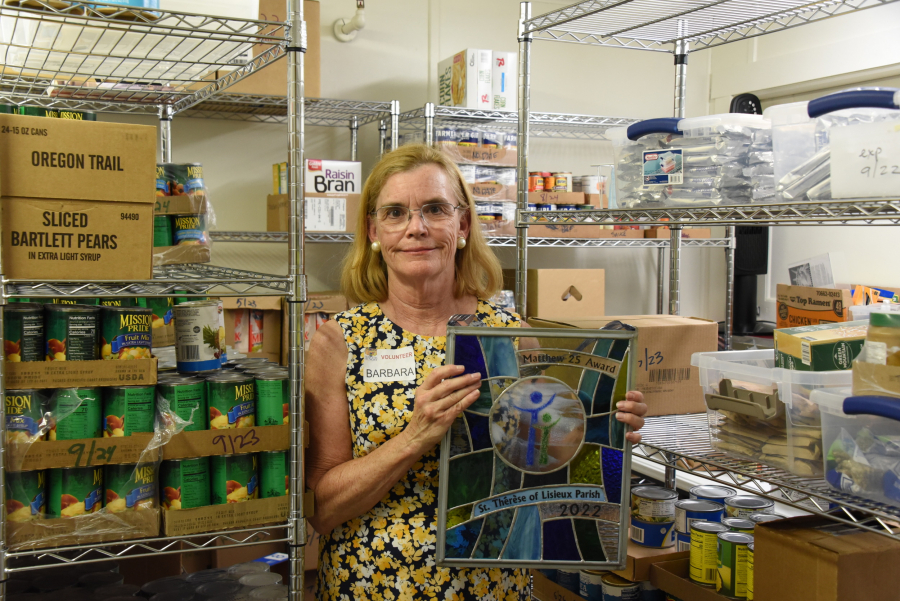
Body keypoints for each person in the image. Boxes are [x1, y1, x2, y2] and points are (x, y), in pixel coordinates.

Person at [306, 144, 648, 601]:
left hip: (491, 587)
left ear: (463, 224)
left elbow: (543, 471)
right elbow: (322, 510)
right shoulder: (338, 341)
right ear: (373, 230)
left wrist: (600, 432)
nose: (416, 228)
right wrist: (414, 437)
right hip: (372, 584)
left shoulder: (509, 335)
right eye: (395, 213)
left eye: (435, 209)